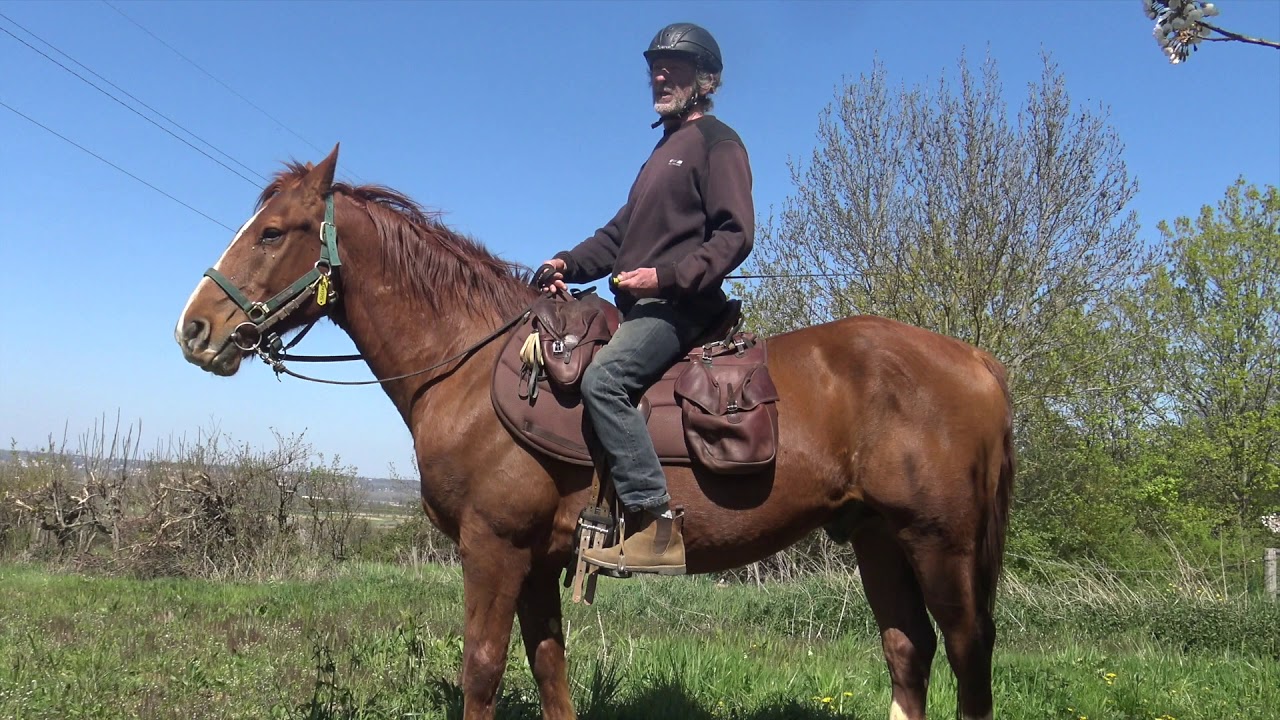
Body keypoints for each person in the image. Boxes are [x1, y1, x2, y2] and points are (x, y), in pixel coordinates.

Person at [536, 22, 754, 575]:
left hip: (682, 306)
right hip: (644, 305)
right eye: (654, 65)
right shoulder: (662, 153)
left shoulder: (717, 143)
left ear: (705, 79)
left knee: (604, 380)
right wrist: (567, 261)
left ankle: (655, 528)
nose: (658, 74)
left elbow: (735, 234)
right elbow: (618, 236)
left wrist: (665, 278)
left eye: (673, 66)